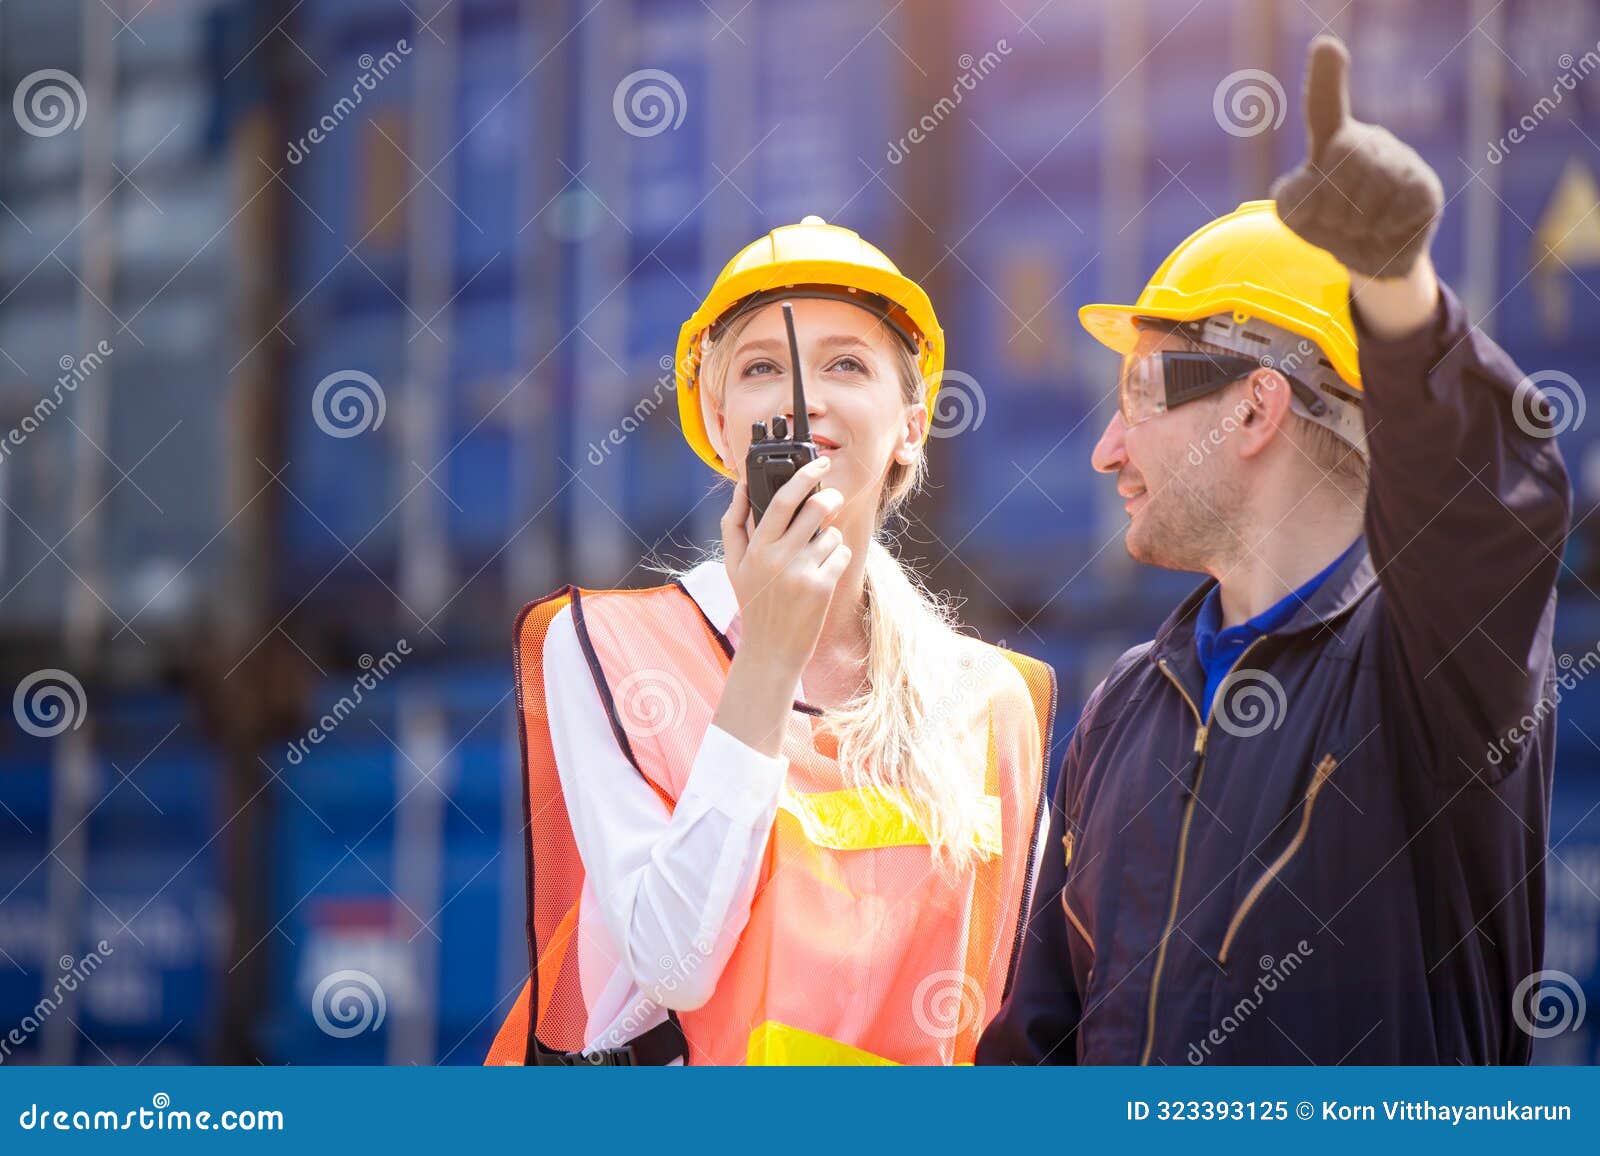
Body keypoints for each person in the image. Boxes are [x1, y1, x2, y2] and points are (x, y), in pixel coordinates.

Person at [978, 36, 1571, 1065]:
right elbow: (1037, 1055)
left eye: (1138, 395)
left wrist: (1399, 293)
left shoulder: (1432, 673)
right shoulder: (1126, 708)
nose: (1105, 450)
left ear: (1254, 408)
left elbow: (1485, 512)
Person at [486, 216, 1056, 1066]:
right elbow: (674, 966)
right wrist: (769, 658)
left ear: (910, 425)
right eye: (761, 369)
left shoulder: (991, 703)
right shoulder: (608, 647)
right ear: (718, 425)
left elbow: (1020, 1018)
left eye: (846, 365)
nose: (801, 399)